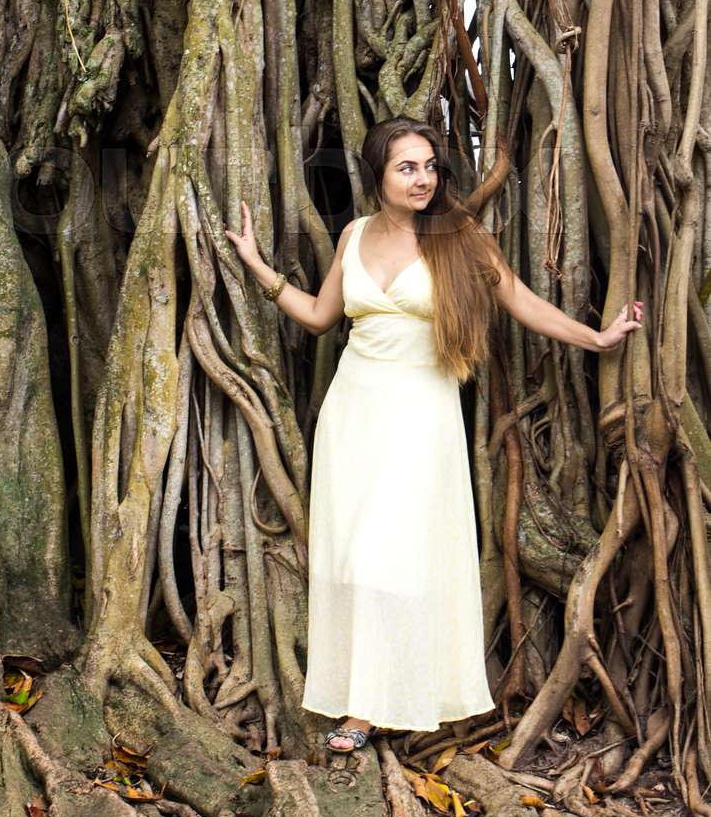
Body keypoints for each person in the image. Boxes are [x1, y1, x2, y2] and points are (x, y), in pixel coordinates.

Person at [225, 117, 643, 755]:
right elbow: (317, 317)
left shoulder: (458, 235)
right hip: (354, 413)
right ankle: (362, 706)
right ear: (378, 176)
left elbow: (521, 301)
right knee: (353, 559)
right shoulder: (354, 234)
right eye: (407, 168)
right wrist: (258, 266)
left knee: (403, 558)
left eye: (429, 166)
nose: (423, 179)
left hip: (421, 415)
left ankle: (413, 695)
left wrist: (598, 337)